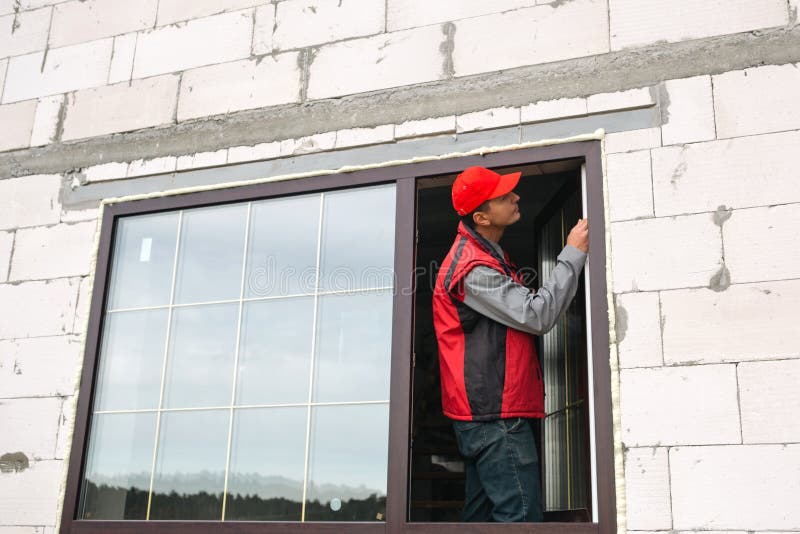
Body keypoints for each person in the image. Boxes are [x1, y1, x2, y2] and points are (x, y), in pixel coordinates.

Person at [431, 165, 589, 522]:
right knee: (520, 518)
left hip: (489, 415)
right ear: (481, 217)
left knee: (482, 520)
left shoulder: (484, 256)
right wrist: (572, 254)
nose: (516, 197)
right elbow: (536, 316)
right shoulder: (473, 269)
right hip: (495, 418)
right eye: (504, 196)